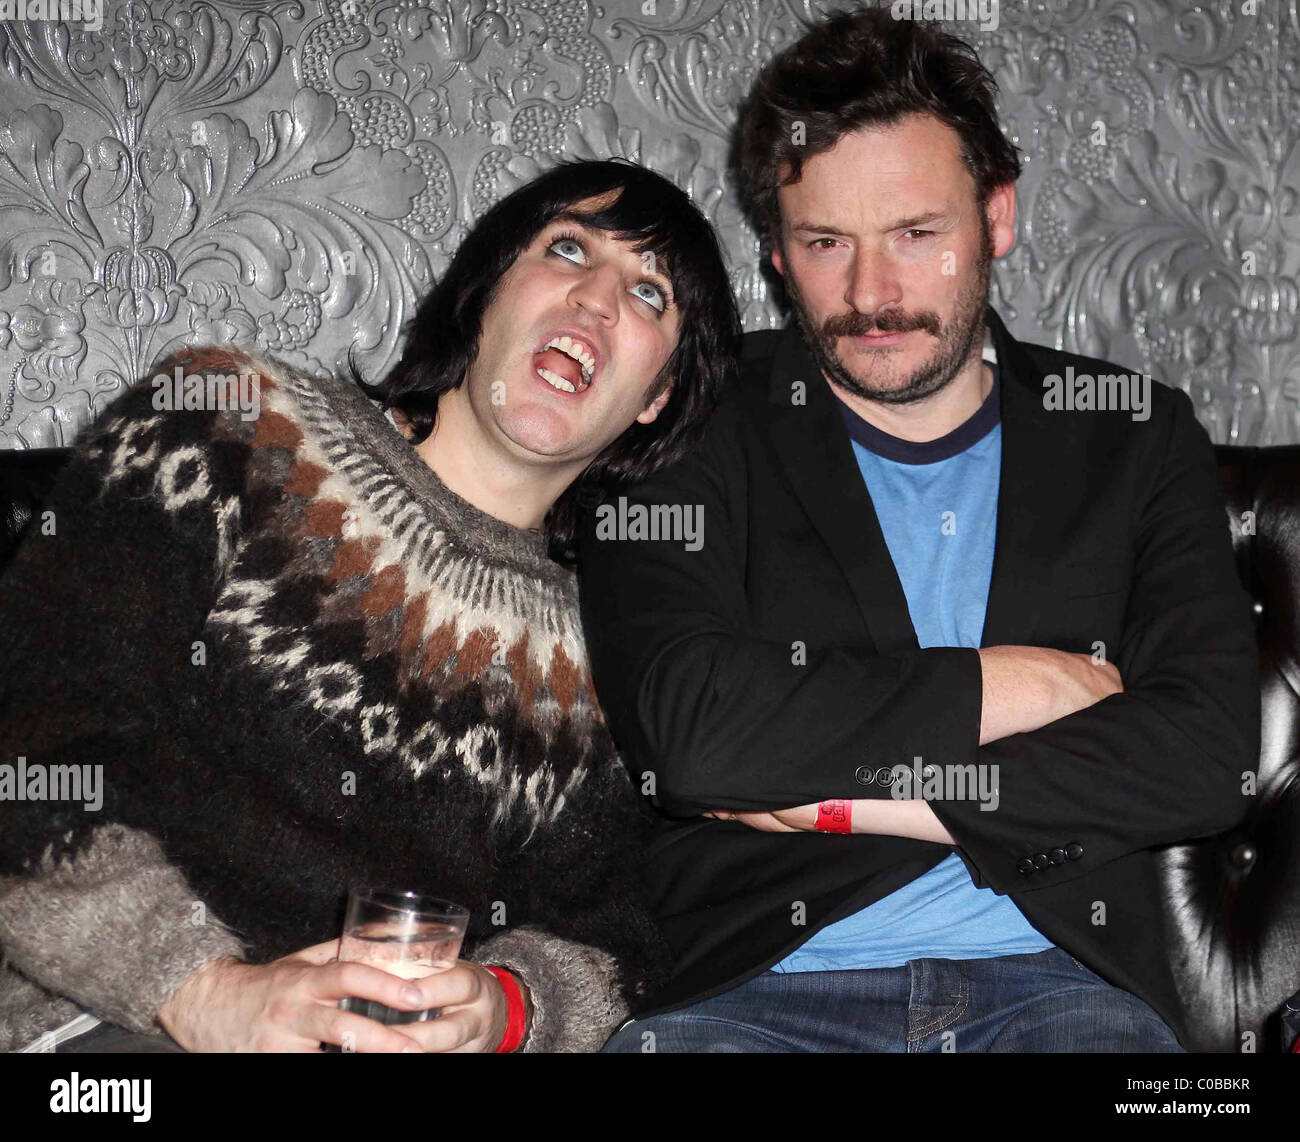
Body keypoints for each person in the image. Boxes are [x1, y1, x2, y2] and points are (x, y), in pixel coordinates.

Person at [579, 8, 1258, 1052]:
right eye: (823, 243)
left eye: (914, 234)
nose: (870, 293)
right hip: (750, 999)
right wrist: (1014, 687)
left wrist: (848, 801)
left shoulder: (1129, 432)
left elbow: (1203, 755)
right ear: (773, 249)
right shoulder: (697, 417)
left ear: (996, 218)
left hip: (1063, 989)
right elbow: (692, 731)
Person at [0, 158, 740, 1053]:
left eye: (651, 293)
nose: (597, 298)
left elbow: (612, 937)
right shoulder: (228, 426)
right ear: (488, 286)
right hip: (99, 1022)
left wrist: (503, 1006)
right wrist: (203, 993)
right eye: (569, 247)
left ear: (658, 397)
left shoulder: (613, 642)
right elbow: (30, 754)